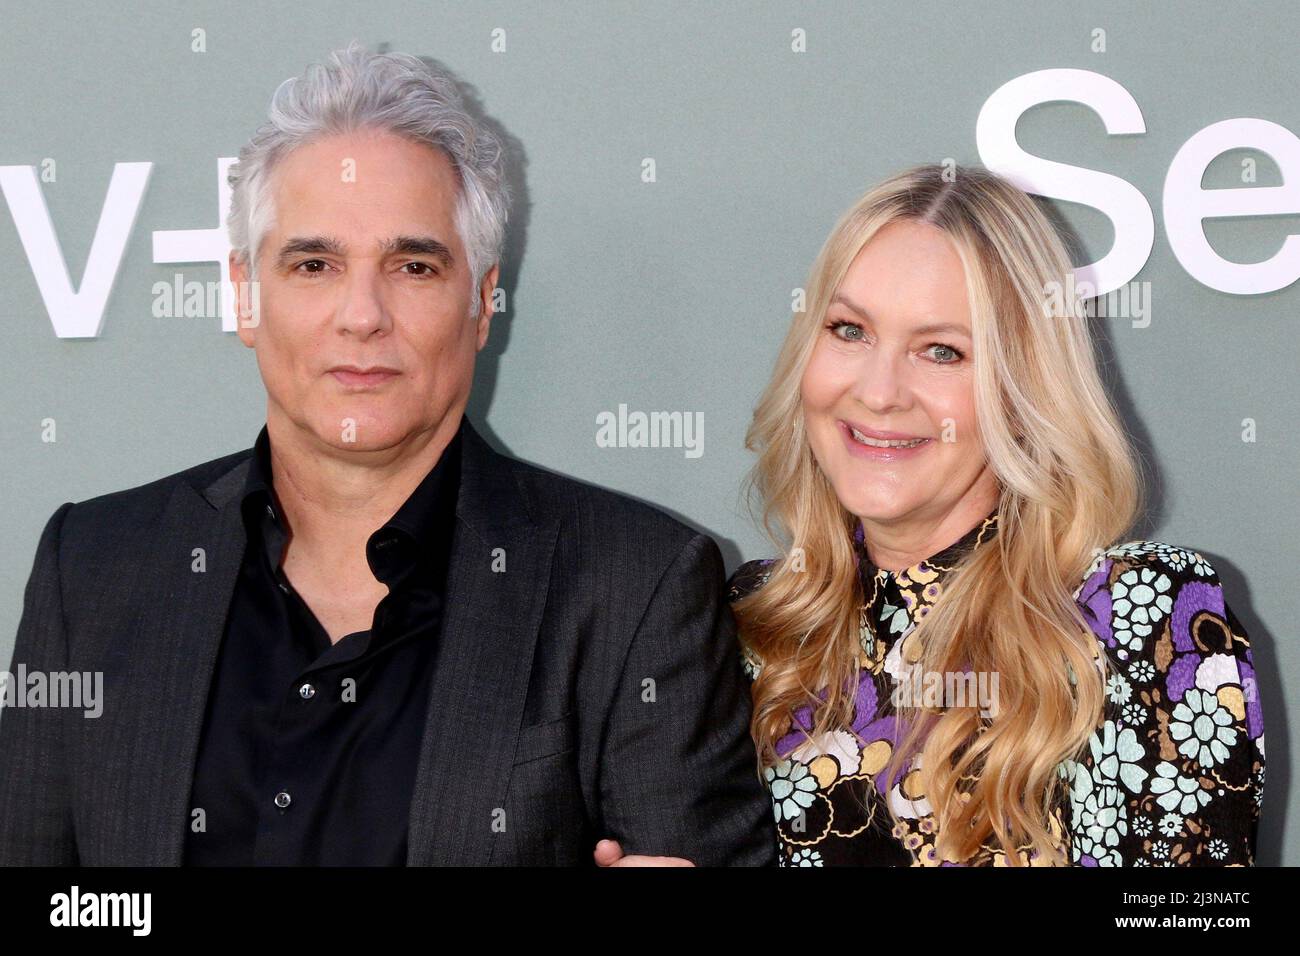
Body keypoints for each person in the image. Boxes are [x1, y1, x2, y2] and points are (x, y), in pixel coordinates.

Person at [0, 44, 774, 867]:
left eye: (412, 265)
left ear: (480, 303)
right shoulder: (92, 570)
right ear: (242, 295)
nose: (362, 315)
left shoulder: (634, 587)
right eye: (313, 264)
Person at [726, 164, 1265, 866]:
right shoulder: (746, 626)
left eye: (941, 351)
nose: (880, 390)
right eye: (850, 330)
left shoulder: (1138, 613)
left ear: (1022, 390)